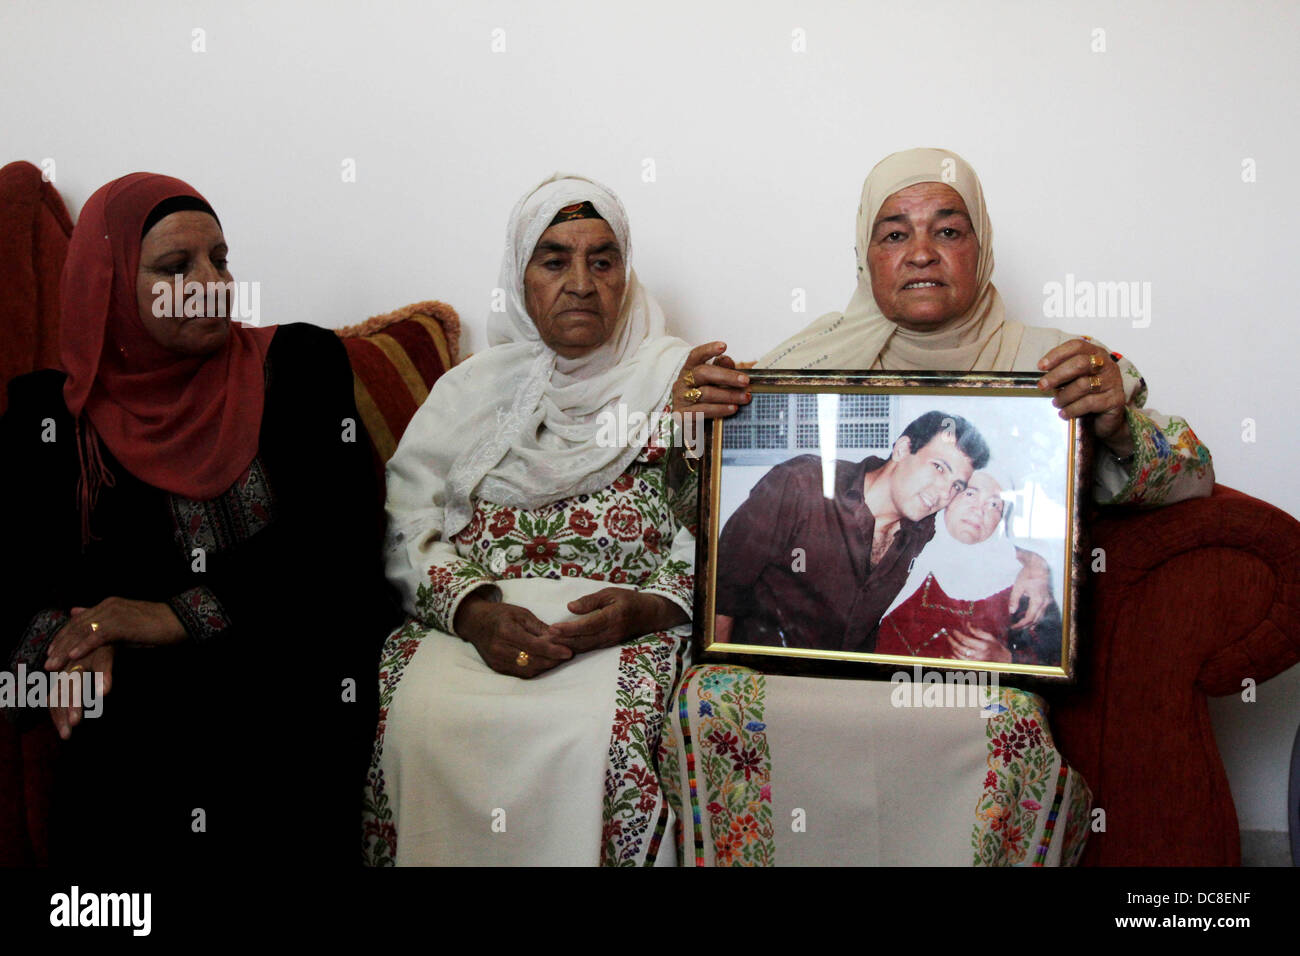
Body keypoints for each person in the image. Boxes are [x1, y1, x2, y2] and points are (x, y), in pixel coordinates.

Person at [661, 147, 1213, 866]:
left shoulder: (1059, 369)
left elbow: (1192, 477)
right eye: (895, 233)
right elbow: (694, 518)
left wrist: (1113, 424)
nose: (922, 252)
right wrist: (689, 430)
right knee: (712, 701)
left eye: (948, 231)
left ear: (982, 249)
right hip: (801, 672)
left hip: (962, 680)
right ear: (866, 256)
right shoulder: (801, 369)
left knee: (1005, 722)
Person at [0, 173, 395, 866]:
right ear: (109, 284)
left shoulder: (299, 366)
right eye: (176, 267)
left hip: (291, 648)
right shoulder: (52, 423)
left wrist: (172, 615)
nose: (211, 281)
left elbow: (339, 543)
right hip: (145, 688)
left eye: (220, 258)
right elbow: (20, 573)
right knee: (113, 718)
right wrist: (69, 642)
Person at [363, 175, 698, 866]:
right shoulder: (470, 391)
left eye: (602, 261)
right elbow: (405, 518)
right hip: (471, 627)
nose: (581, 282)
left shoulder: (677, 380)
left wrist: (650, 607)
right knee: (413, 719)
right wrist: (472, 612)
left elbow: (716, 526)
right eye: (554, 260)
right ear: (520, 277)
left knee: (609, 734)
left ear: (624, 274)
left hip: (617, 635)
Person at [713, 411, 999, 652]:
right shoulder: (802, 484)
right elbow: (722, 589)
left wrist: (1034, 566)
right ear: (901, 449)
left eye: (956, 486)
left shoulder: (923, 530)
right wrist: (723, 676)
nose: (943, 492)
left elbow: (985, 536)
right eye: (938, 467)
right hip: (763, 676)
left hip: (845, 692)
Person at [876, 469, 1062, 666]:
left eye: (994, 505)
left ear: (1001, 519)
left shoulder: (1022, 582)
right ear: (949, 498)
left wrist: (1009, 660)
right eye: (970, 493)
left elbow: (1056, 658)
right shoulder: (898, 549)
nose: (979, 510)